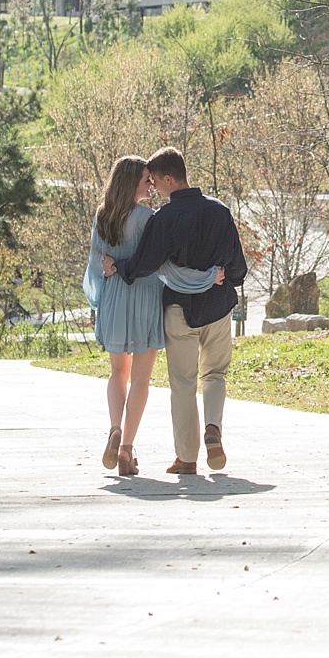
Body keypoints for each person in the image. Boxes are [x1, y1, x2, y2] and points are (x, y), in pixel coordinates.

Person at [107, 147, 248, 477]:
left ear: (169, 178)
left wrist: (118, 267)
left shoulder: (165, 219)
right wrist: (228, 279)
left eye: (155, 180)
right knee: (215, 374)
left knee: (182, 383)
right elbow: (238, 265)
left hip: (179, 309)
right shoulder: (220, 211)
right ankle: (213, 427)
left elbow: (145, 264)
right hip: (218, 306)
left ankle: (186, 459)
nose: (154, 187)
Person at [83, 155, 164, 476]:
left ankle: (115, 428)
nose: (151, 184)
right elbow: (157, 260)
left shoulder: (102, 217)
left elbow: (94, 263)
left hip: (115, 293)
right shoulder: (150, 218)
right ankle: (127, 448)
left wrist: (99, 297)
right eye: (146, 179)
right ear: (131, 182)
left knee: (118, 372)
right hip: (145, 295)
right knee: (141, 378)